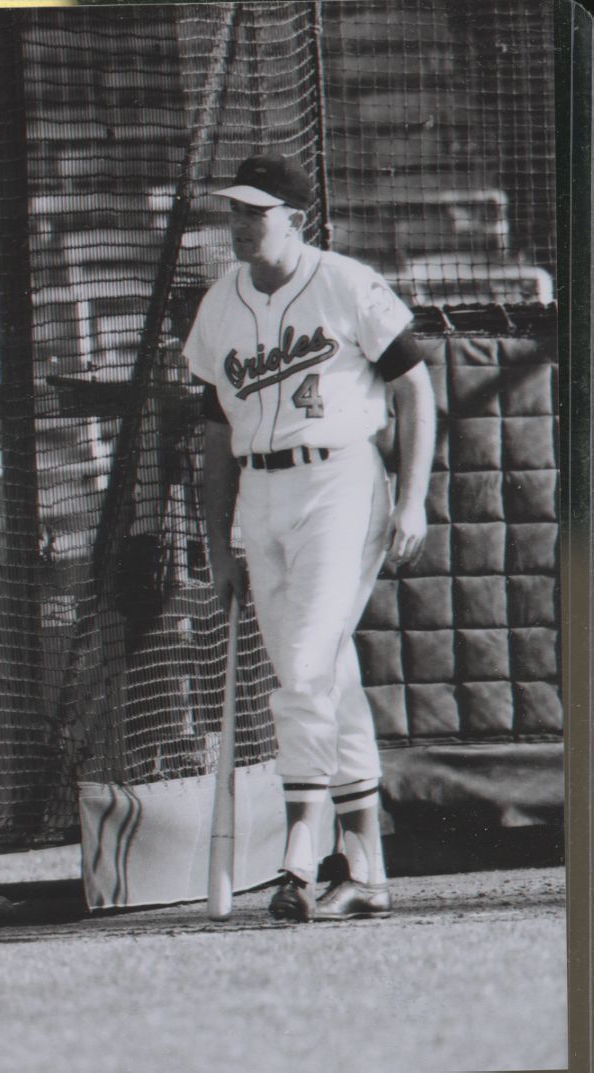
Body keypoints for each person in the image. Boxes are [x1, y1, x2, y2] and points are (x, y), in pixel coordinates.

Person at [183, 153, 436, 922]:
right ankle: (363, 862)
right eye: (233, 210)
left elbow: (413, 387)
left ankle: (300, 843)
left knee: (300, 664)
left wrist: (413, 498)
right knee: (327, 672)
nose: (240, 224)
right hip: (258, 491)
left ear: (296, 217)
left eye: (255, 211)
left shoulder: (343, 281)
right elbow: (209, 431)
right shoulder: (218, 304)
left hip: (341, 480)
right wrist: (215, 545)